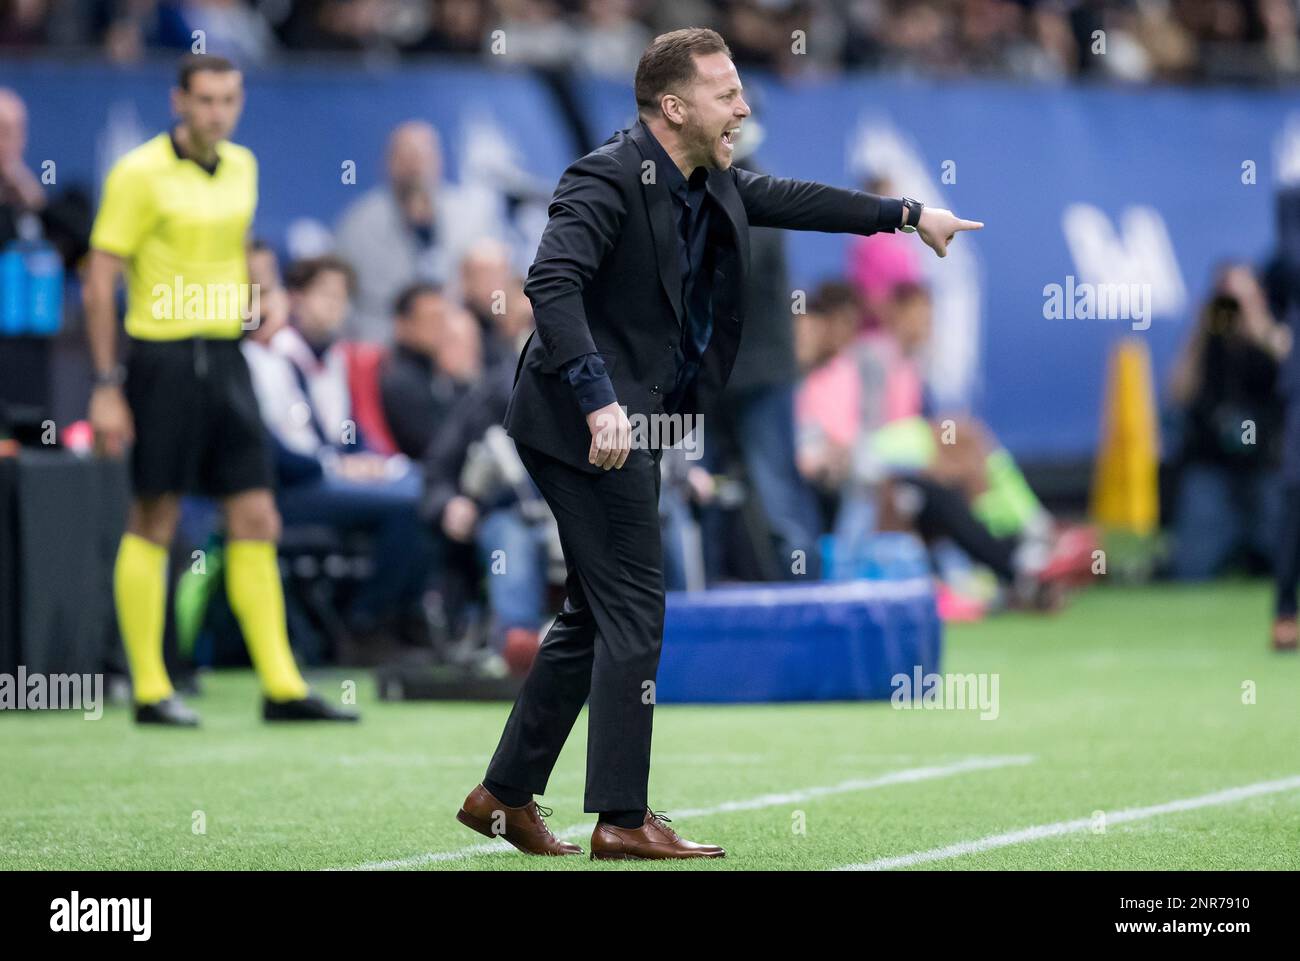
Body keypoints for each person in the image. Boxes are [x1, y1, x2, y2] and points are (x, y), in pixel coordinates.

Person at [455, 27, 982, 860]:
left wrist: (912, 216)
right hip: (579, 423)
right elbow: (551, 283)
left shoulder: (715, 179)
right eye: (726, 91)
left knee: (595, 611)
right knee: (635, 608)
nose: (742, 105)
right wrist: (598, 401)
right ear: (674, 107)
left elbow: (801, 200)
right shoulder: (604, 175)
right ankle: (622, 819)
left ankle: (503, 794)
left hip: (639, 419)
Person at [83, 54, 356, 725]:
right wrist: (104, 384)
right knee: (155, 516)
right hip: (160, 359)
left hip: (226, 358)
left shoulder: (243, 166)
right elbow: (98, 281)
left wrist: (258, 296)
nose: (217, 112)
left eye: (229, 100)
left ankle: (282, 686)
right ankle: (150, 688)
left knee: (258, 516)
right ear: (179, 101)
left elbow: (233, 248)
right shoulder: (137, 173)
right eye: (205, 100)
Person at [244, 255, 439, 653]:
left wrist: (375, 462)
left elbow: (348, 433)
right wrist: (335, 466)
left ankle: (404, 614)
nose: (336, 306)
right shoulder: (267, 356)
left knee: (429, 487)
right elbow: (273, 449)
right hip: (290, 489)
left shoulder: (333, 358)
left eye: (343, 297)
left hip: (331, 480)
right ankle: (365, 621)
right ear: (295, 297)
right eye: (326, 295)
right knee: (410, 504)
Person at [333, 121, 499, 343]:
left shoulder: (470, 218)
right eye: (406, 157)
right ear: (388, 164)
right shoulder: (357, 224)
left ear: (439, 161)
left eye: (422, 157)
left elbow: (494, 293)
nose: (415, 168)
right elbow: (342, 300)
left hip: (456, 343)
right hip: (384, 344)